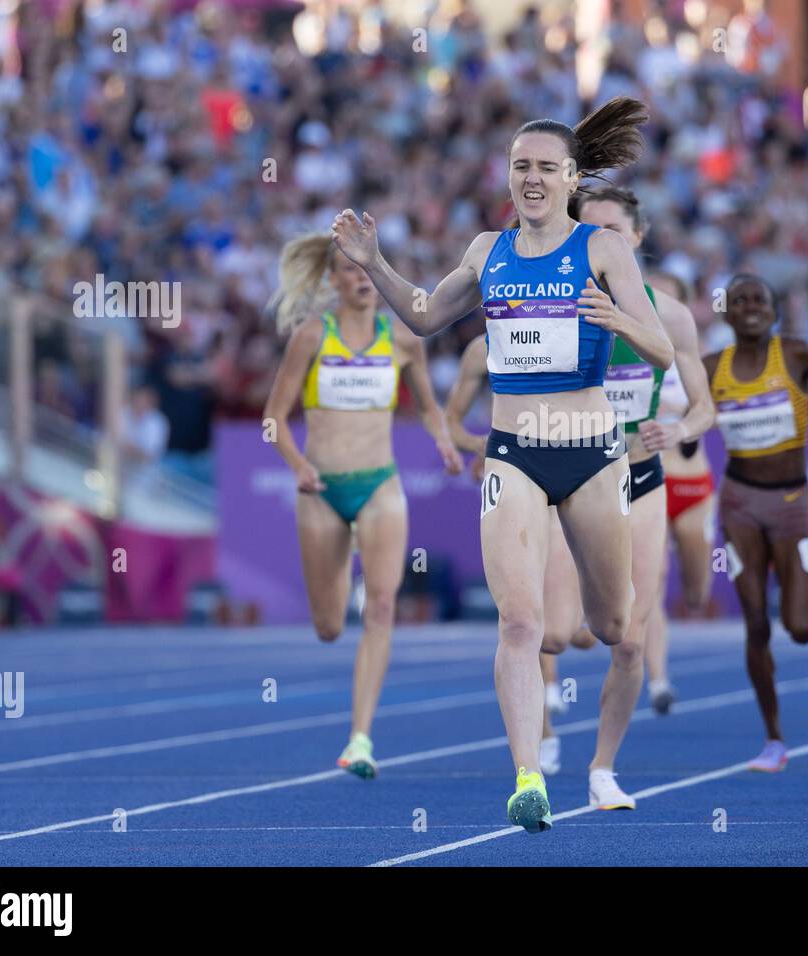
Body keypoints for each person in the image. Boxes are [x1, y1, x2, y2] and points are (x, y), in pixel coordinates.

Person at [331, 96, 674, 832]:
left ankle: (603, 763)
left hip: (590, 455)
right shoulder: (487, 252)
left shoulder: (604, 250)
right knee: (520, 625)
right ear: (508, 175)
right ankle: (528, 776)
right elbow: (425, 314)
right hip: (513, 451)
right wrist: (376, 263)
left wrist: (618, 320)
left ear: (572, 177)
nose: (533, 179)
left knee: (616, 628)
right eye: (521, 167)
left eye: (547, 168)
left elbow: (665, 350)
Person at [263, 234, 462, 778]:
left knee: (380, 608)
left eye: (367, 271)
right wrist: (297, 465)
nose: (360, 279)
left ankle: (361, 739)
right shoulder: (311, 336)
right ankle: (335, 593)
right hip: (322, 491)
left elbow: (427, 406)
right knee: (329, 626)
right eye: (348, 272)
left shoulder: (402, 340)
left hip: (379, 485)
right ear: (332, 280)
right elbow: (272, 419)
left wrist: (443, 440)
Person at [705, 273, 808, 772]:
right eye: (741, 300)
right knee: (754, 622)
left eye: (760, 299)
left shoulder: (795, 354)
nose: (751, 306)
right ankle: (773, 738)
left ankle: (793, 617)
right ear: (726, 312)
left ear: (773, 311)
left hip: (793, 503)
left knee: (801, 628)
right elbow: (673, 399)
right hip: (738, 503)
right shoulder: (711, 367)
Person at [573, 189, 715, 724]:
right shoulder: (555, 308)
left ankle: (604, 768)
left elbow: (706, 409)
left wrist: (678, 427)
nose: (602, 242)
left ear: (636, 237)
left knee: (646, 624)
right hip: (576, 476)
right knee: (567, 633)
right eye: (590, 232)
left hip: (643, 473)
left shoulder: (672, 317)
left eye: (613, 231)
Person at [443, 334, 594, 779]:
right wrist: (479, 446)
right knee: (525, 616)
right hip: (514, 475)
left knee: (562, 634)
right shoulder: (480, 347)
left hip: (570, 472)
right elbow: (452, 421)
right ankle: (542, 733)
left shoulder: (574, 327)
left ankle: (587, 626)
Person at [644, 271, 717, 713]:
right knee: (653, 583)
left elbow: (711, 413)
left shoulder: (696, 356)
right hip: (649, 479)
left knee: (695, 593)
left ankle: (695, 594)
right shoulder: (627, 352)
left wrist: (682, 417)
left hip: (693, 484)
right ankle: (658, 681)